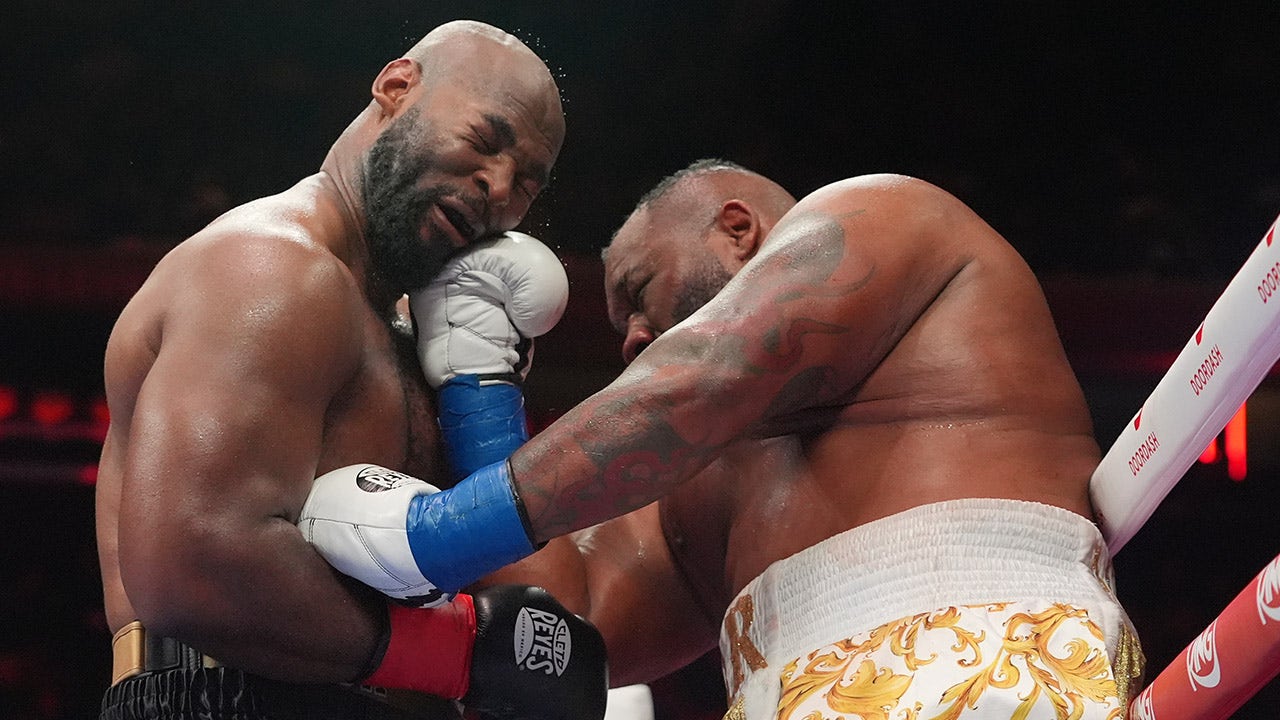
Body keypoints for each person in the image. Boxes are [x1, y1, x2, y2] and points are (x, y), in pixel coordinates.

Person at [304, 160, 1147, 718]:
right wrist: (478, 385)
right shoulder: (699, 485)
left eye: (638, 291)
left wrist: (441, 532)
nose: (632, 338)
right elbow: (569, 618)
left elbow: (698, 382)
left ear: (737, 227)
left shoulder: (883, 216)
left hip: (988, 662)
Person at [95, 20, 608, 720]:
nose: (497, 186)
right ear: (397, 89)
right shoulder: (270, 269)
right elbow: (193, 567)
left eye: (527, 182)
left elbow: (536, 617)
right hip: (226, 696)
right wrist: (453, 653)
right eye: (484, 142)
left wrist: (483, 396)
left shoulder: (421, 338)